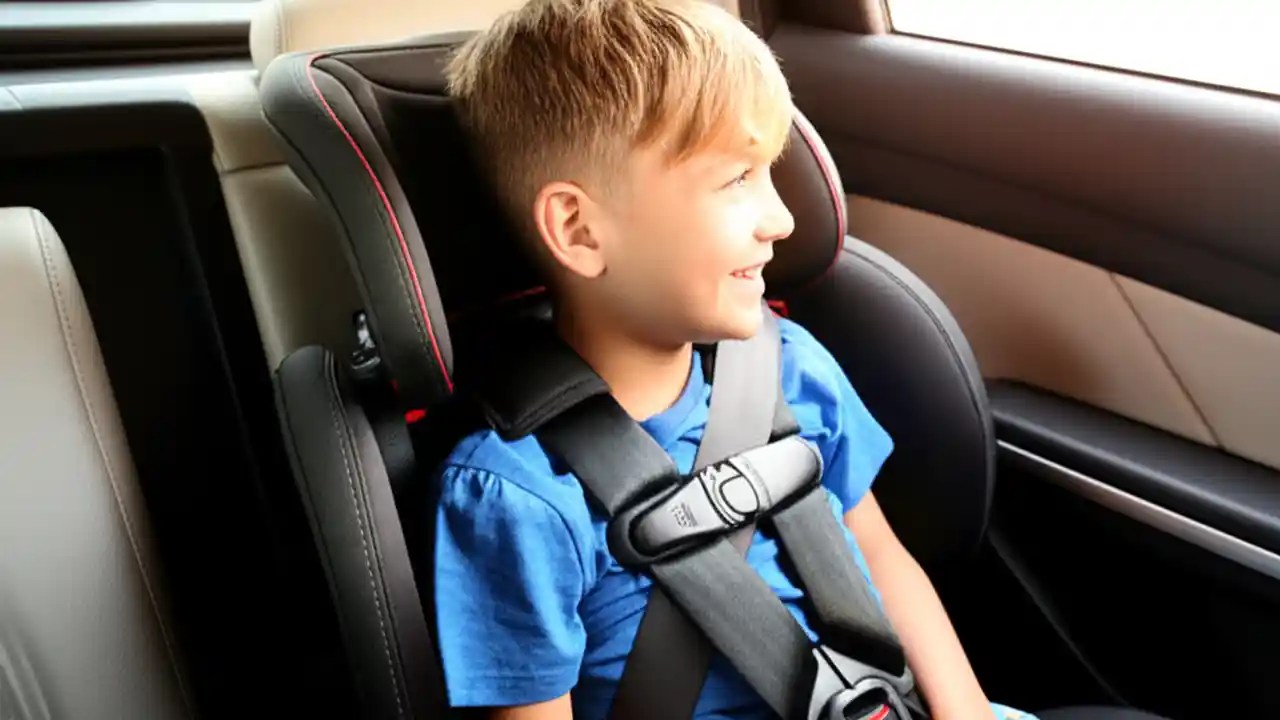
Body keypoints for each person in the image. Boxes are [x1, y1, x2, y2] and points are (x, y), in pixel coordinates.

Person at [433, 1, 1033, 718]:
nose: (780, 219)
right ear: (579, 228)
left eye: (769, 174)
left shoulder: (792, 368)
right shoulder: (519, 498)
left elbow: (878, 555)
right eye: (735, 181)